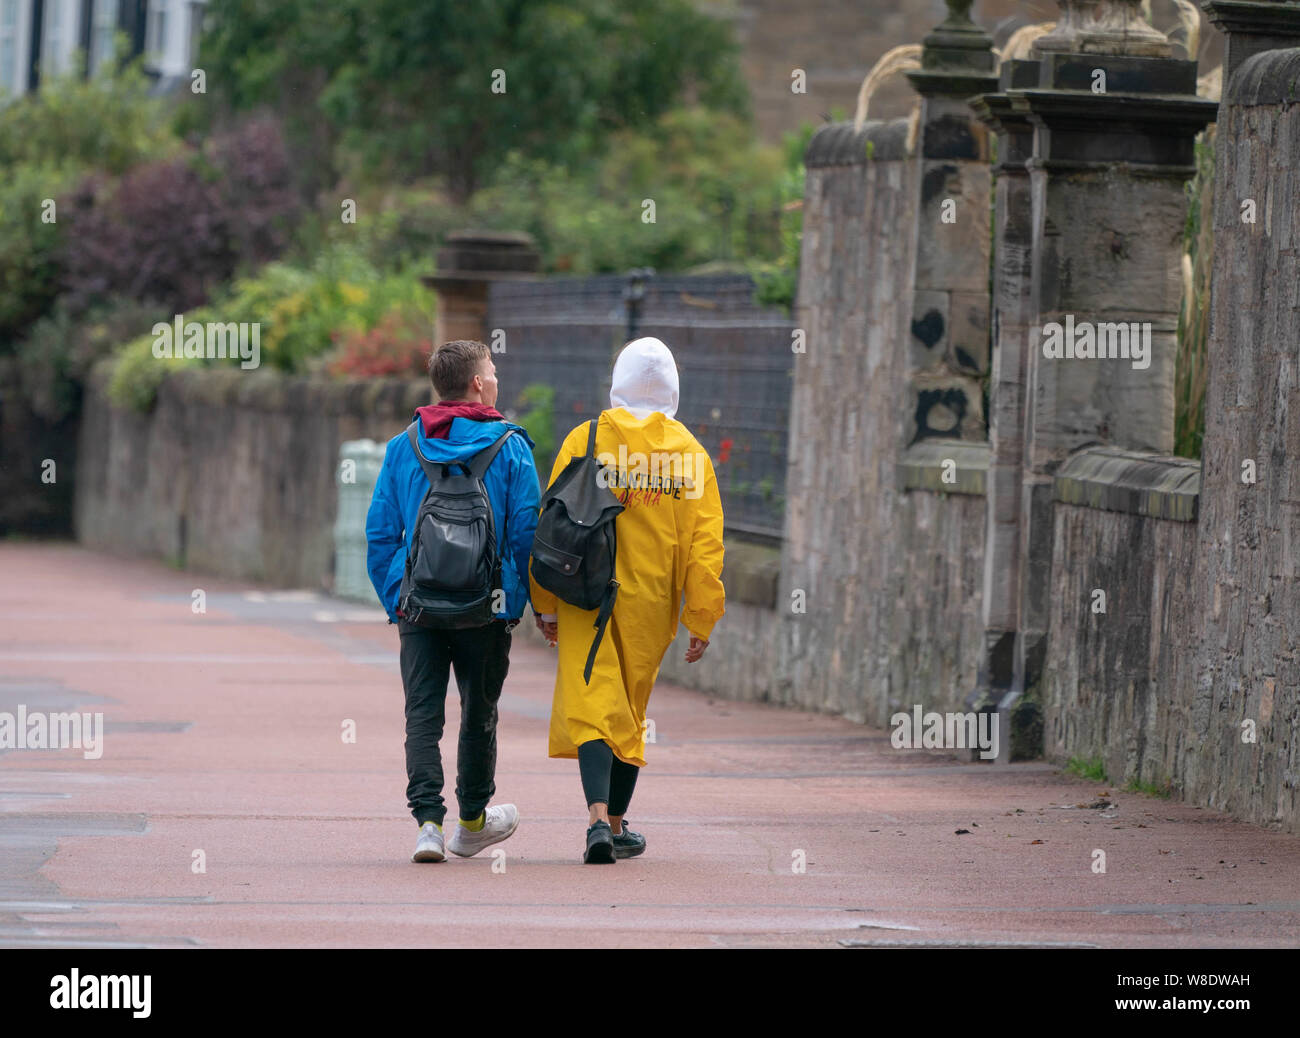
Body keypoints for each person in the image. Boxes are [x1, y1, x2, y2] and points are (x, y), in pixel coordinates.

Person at [530, 337, 725, 863]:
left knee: (592, 699)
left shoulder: (587, 438)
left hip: (583, 593)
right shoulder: (689, 456)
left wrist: (544, 602)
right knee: (631, 711)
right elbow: (705, 545)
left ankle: (596, 818)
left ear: (618, 381)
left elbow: (551, 525)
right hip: (650, 600)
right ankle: (615, 824)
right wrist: (701, 615)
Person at [366, 339, 540, 863]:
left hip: (418, 606)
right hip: (485, 608)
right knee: (479, 713)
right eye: (492, 368)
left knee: (421, 714)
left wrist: (400, 595)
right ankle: (471, 823)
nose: (496, 375)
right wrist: (517, 601)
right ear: (478, 385)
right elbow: (527, 534)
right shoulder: (511, 447)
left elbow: (379, 533)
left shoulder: (403, 447)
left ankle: (427, 825)